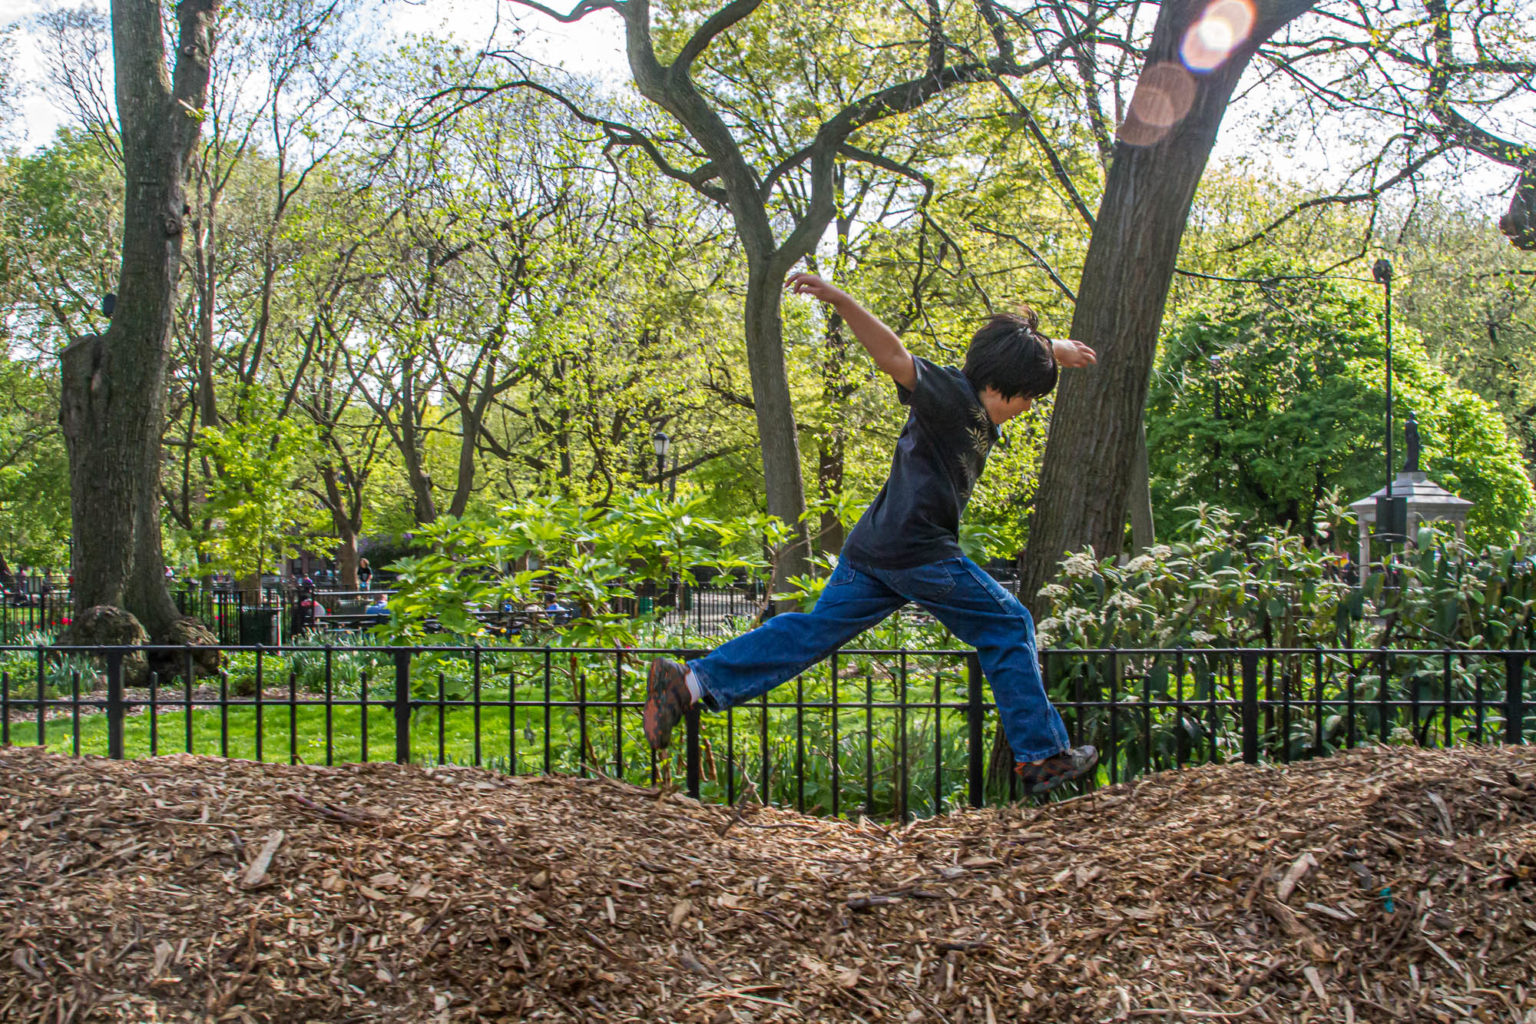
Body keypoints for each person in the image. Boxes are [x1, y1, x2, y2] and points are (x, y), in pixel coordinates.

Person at [644, 272, 1102, 797]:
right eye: (1028, 397)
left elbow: (1007, 354)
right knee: (1009, 622)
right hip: (917, 550)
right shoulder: (950, 395)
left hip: (874, 553)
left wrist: (1054, 350)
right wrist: (841, 300)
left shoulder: (982, 392)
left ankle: (688, 683)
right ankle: (1040, 755)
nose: (1027, 408)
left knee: (813, 632)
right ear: (1002, 385)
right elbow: (894, 357)